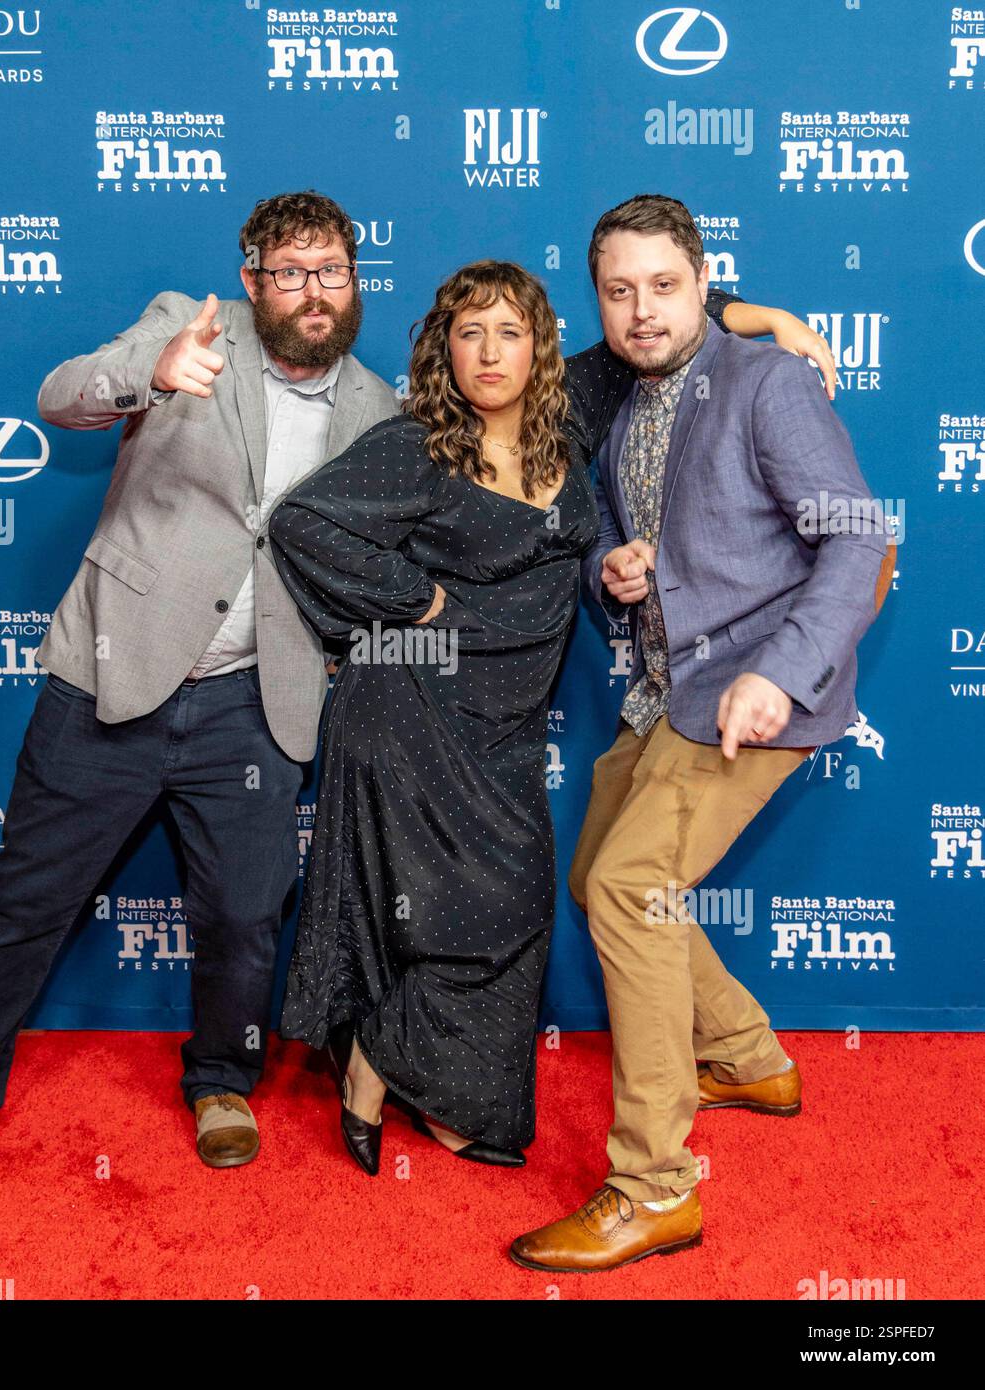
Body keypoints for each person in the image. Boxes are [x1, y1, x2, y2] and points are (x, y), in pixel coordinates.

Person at [0, 191, 398, 1209]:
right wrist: (143, 374)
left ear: (355, 280)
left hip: (255, 705)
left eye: (331, 270)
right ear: (252, 280)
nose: (311, 291)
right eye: (289, 271)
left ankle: (223, 1081)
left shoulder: (379, 409)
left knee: (242, 915)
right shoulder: (183, 328)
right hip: (110, 677)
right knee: (23, 906)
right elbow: (60, 396)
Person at [509, 194, 889, 1273]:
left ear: (702, 282)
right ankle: (745, 1053)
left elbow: (858, 541)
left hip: (752, 698)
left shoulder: (767, 383)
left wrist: (780, 671)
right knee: (598, 876)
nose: (641, 311)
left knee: (630, 886)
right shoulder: (625, 407)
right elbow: (644, 560)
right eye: (618, 293)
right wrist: (608, 574)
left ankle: (653, 1187)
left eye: (663, 287)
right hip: (664, 691)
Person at [268, 260, 600, 1172]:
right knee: (419, 909)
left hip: (505, 720)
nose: (491, 353)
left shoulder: (569, 424)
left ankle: (401, 1070)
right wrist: (412, 602)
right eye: (469, 332)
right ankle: (393, 1078)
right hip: (407, 708)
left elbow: (653, 332)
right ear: (442, 349)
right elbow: (303, 523)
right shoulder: (418, 446)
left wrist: (758, 314)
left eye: (510, 332)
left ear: (540, 346)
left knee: (508, 900)